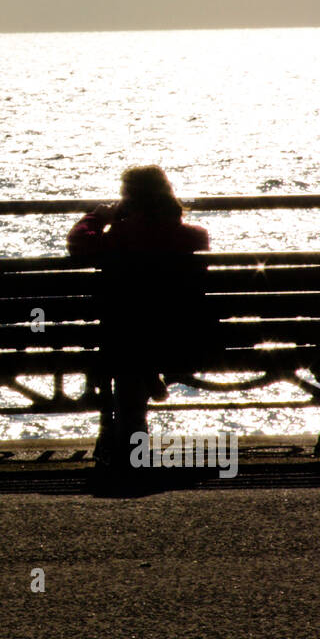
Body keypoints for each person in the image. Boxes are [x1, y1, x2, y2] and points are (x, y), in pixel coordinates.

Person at [67, 167, 210, 472]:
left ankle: (127, 447)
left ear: (129, 199)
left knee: (128, 339)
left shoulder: (119, 236)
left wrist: (97, 217)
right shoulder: (195, 236)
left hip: (125, 342)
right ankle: (147, 381)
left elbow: (78, 244)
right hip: (183, 339)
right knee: (140, 335)